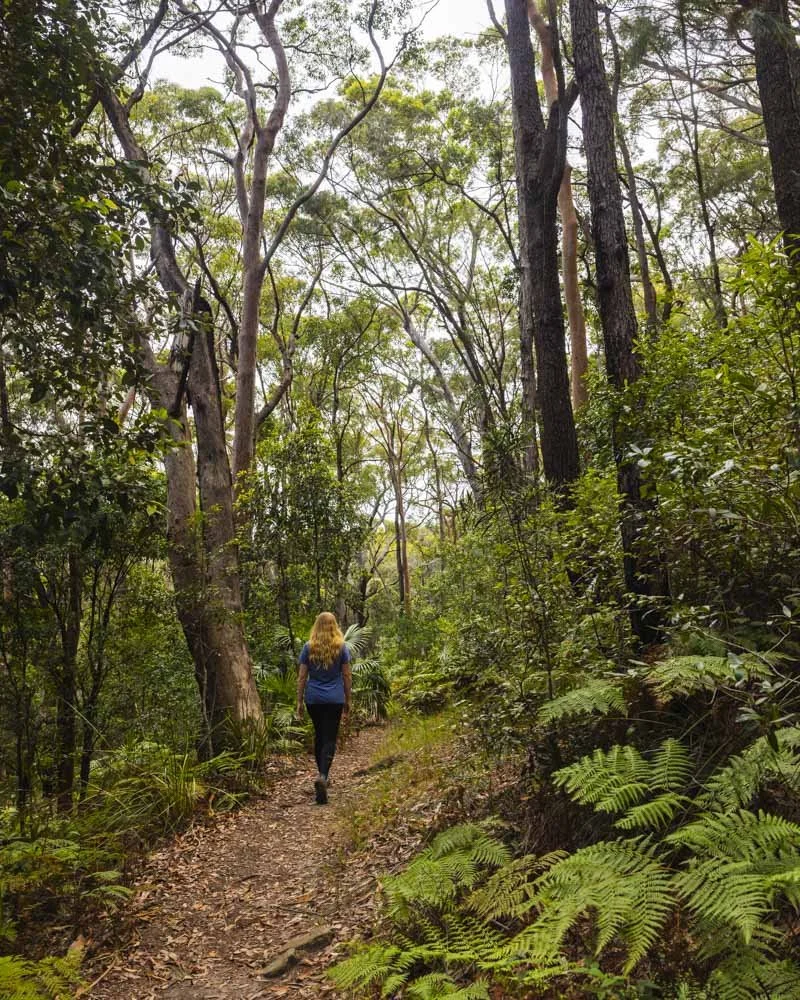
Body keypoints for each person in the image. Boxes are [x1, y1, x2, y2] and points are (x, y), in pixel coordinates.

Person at [296, 611, 352, 805]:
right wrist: (348, 699)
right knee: (330, 737)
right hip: (334, 699)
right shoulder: (341, 647)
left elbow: (302, 676)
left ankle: (322, 776)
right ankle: (323, 776)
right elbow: (346, 675)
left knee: (319, 735)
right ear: (334, 626)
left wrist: (298, 701)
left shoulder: (308, 647)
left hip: (314, 699)